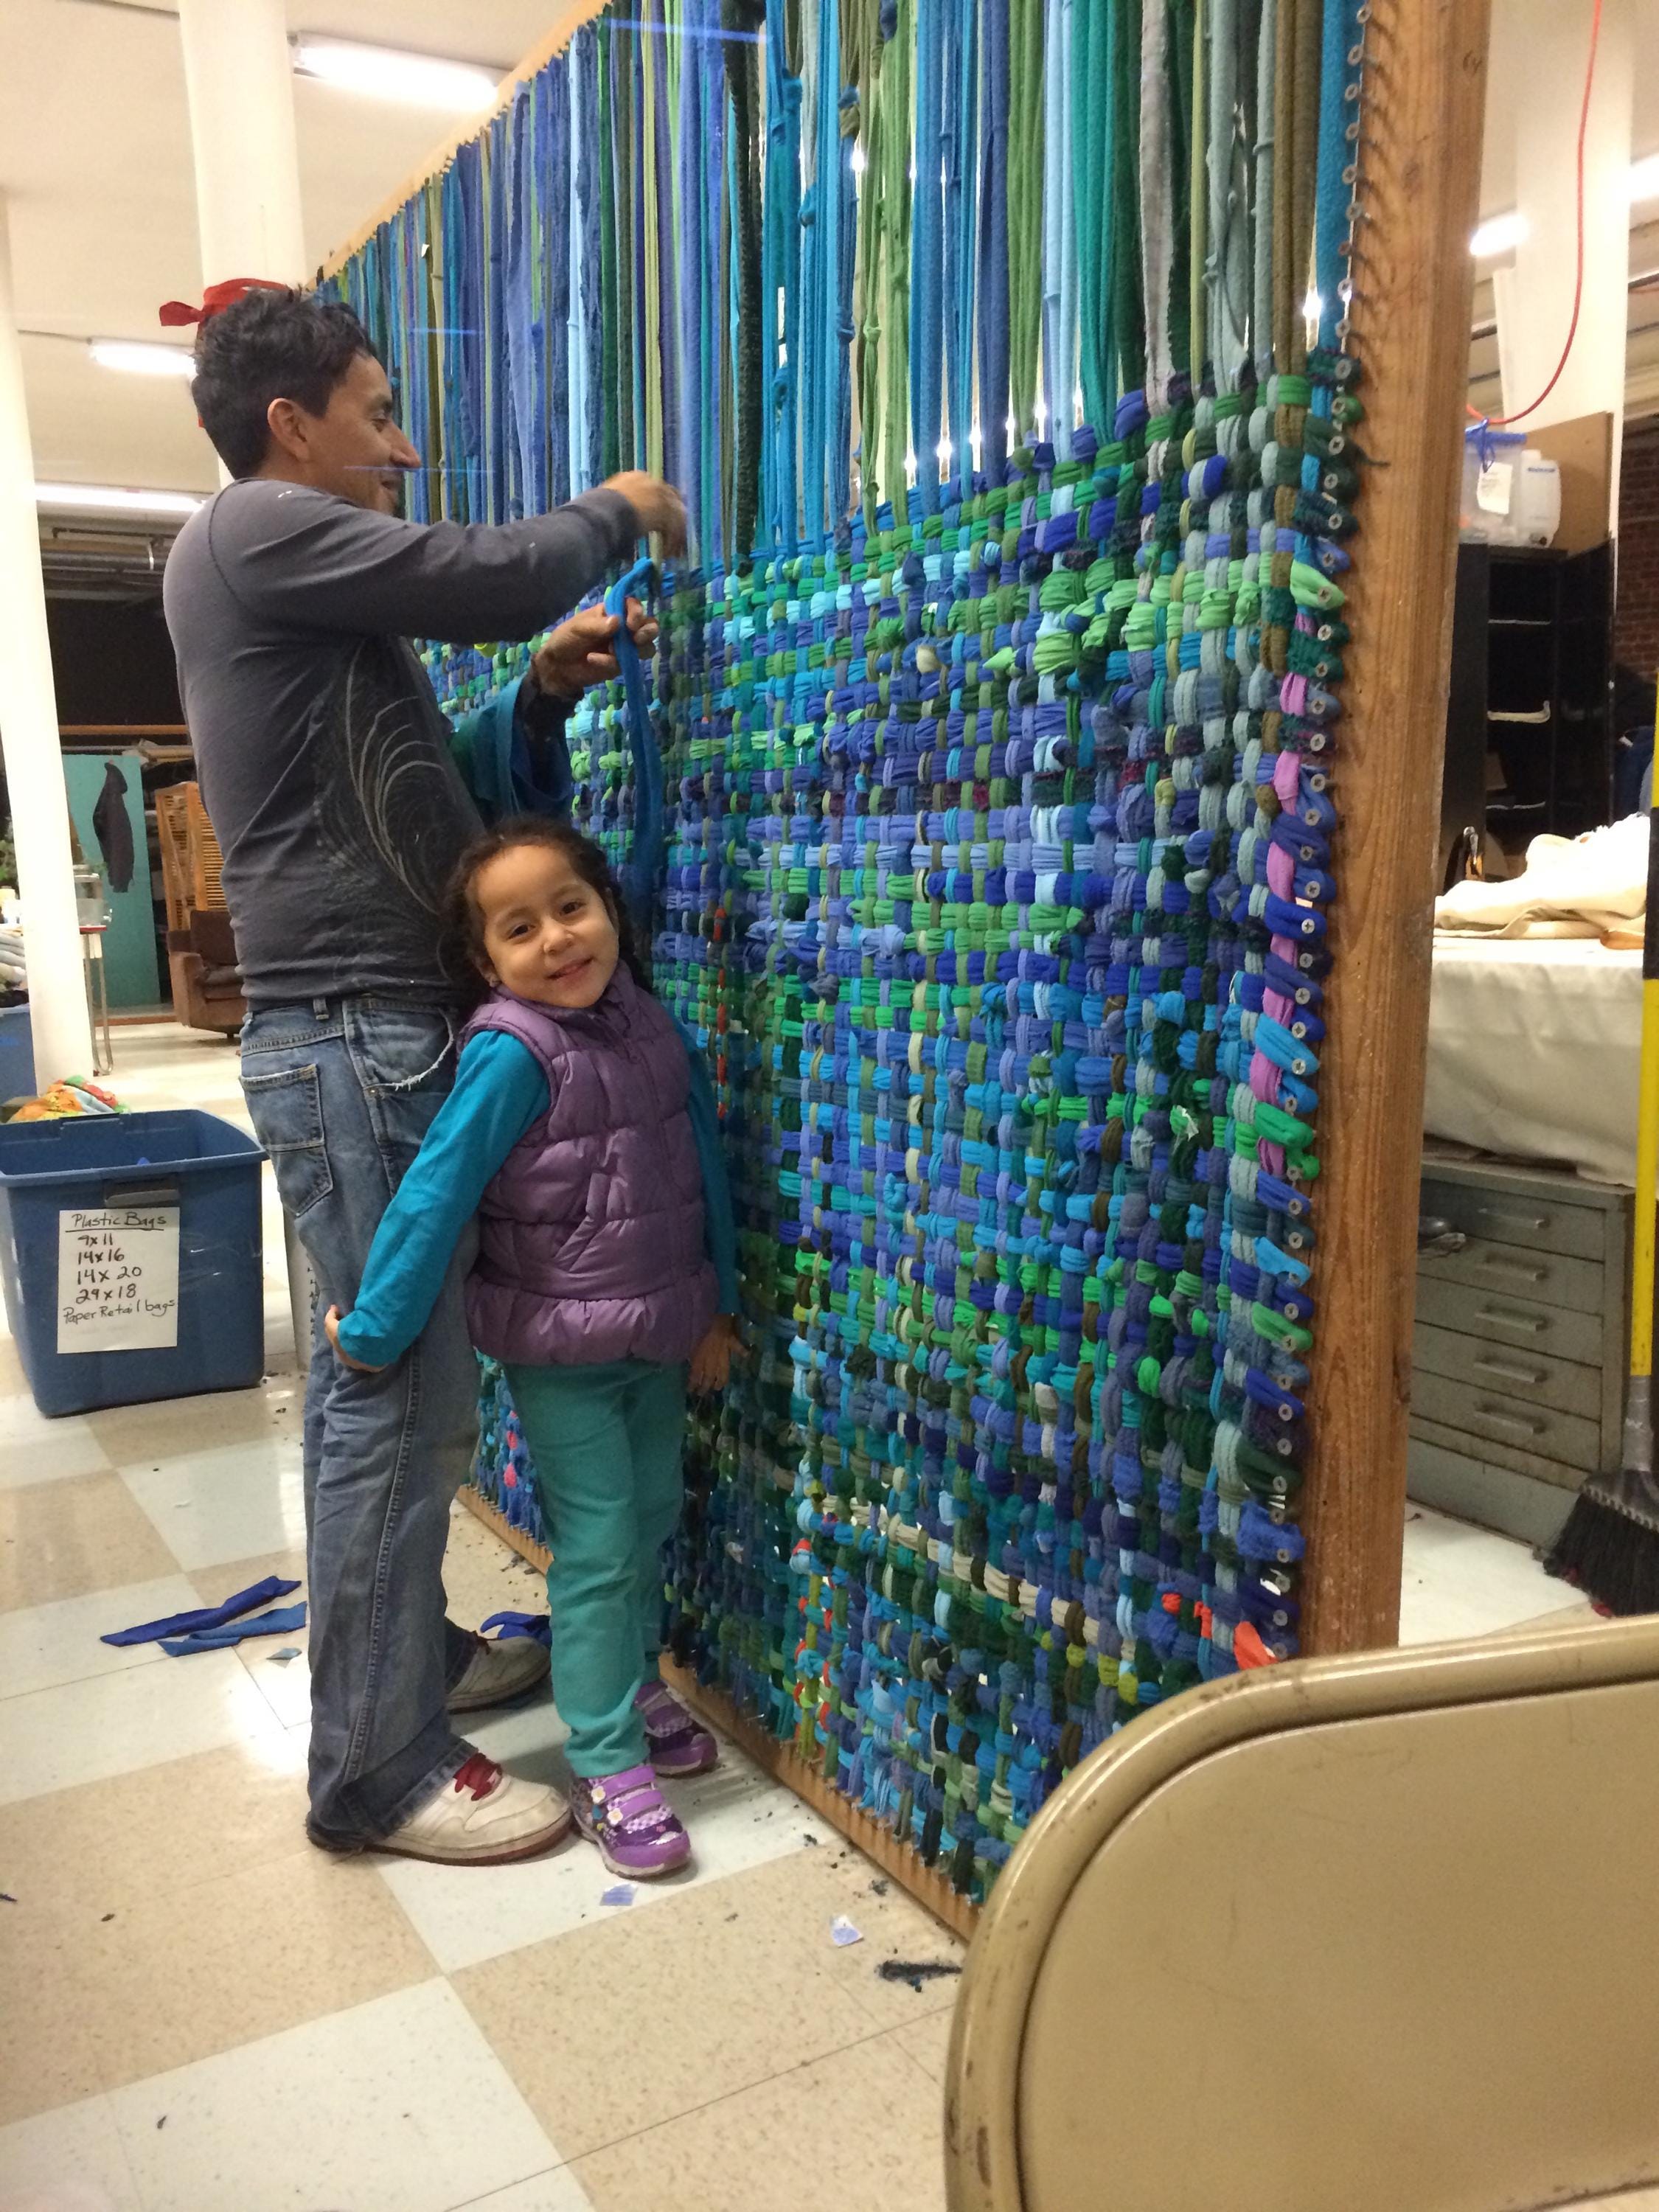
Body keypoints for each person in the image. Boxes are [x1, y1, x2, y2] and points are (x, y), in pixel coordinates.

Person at [162, 282, 688, 1865]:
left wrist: (535, 701)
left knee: (396, 1401)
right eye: (377, 414)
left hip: (379, 1033)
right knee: (395, 1406)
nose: (400, 448)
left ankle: (406, 1660)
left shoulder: (314, 601)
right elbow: (494, 572)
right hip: (349, 1040)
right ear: (290, 424)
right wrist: (615, 512)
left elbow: (421, 809)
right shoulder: (253, 531)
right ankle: (377, 1767)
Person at [324, 821, 741, 1879]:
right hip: (562, 1355)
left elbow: (702, 1169)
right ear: (485, 963)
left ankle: (632, 1682)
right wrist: (375, 1329)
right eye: (520, 928)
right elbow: (436, 1191)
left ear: (608, 909)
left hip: (658, 1332)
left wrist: (717, 1308)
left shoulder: (647, 1025)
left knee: (648, 1519)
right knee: (600, 1546)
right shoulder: (511, 1051)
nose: (556, 939)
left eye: (571, 907)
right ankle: (604, 1762)